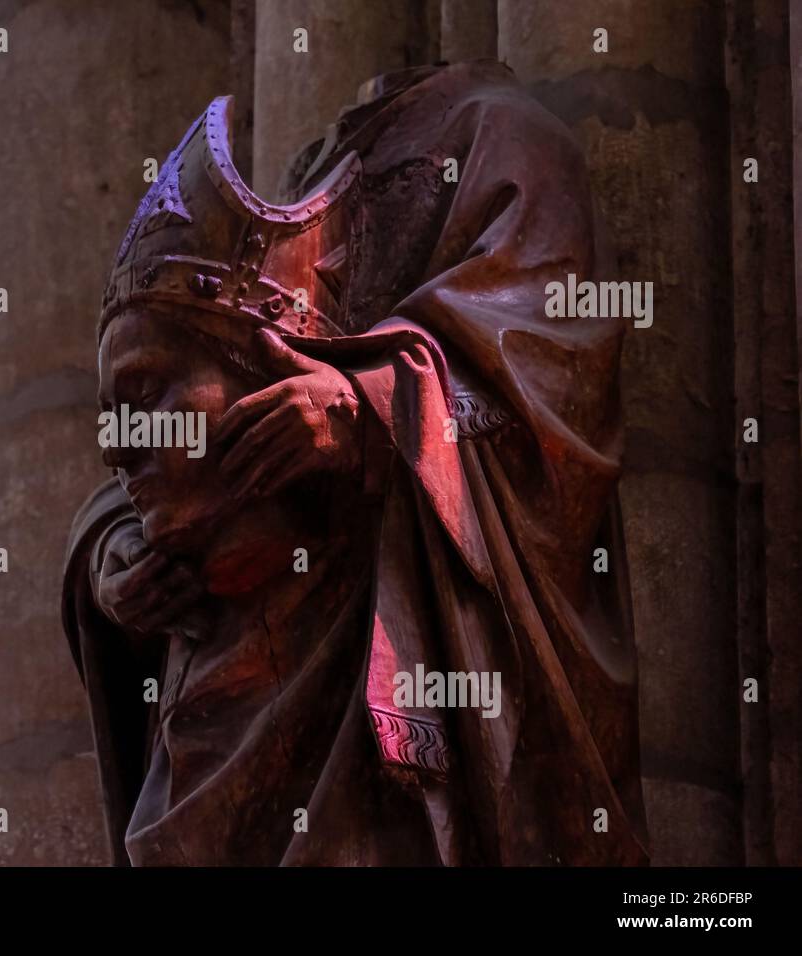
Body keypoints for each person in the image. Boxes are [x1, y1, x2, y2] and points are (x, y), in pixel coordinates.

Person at [62, 61, 648, 866]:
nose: (117, 443)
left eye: (141, 398)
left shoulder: (496, 134)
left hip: (386, 667)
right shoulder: (311, 177)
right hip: (246, 673)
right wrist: (109, 560)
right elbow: (145, 462)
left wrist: (369, 409)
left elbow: (553, 376)